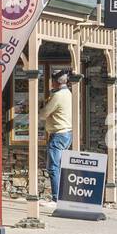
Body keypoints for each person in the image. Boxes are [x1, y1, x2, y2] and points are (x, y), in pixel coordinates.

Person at [40, 73, 73, 206]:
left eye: (52, 81)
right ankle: (60, 197)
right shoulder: (67, 93)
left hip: (58, 134)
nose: (50, 84)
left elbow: (43, 114)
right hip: (66, 133)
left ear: (56, 82)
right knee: (59, 166)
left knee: (53, 167)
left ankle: (56, 198)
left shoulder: (58, 96)